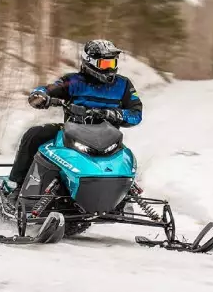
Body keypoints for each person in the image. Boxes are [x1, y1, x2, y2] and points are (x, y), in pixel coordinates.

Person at [7, 39, 143, 189]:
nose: (111, 68)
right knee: (34, 134)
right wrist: (40, 95)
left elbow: (135, 114)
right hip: (73, 133)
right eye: (105, 64)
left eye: (113, 63)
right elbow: (51, 88)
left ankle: (123, 192)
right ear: (89, 62)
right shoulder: (73, 81)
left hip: (108, 138)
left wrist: (109, 114)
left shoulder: (123, 85)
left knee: (127, 160)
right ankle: (16, 183)